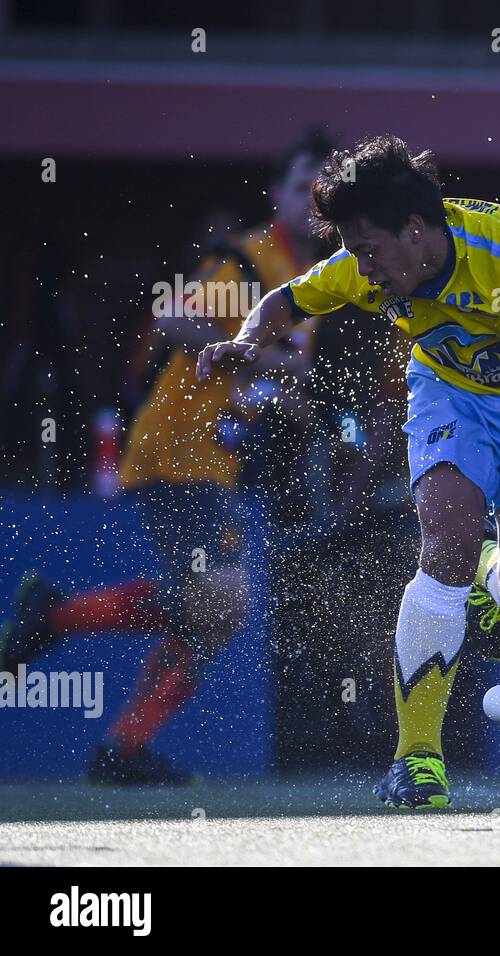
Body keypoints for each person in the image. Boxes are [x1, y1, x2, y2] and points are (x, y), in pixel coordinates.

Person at [196, 134, 500, 809]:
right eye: (354, 253)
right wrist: (248, 341)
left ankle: (493, 578)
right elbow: (285, 301)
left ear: (417, 230)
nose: (361, 271)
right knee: (445, 545)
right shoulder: (362, 265)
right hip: (450, 397)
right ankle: (417, 758)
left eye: (368, 251)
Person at [0, 131, 335, 785]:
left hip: (214, 458)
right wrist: (265, 360)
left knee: (216, 611)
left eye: (323, 191)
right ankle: (58, 619)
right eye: (301, 186)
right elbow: (175, 321)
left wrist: (283, 397)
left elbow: (257, 373)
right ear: (276, 195)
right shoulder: (248, 261)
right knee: (221, 599)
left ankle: (122, 743)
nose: (311, 201)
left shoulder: (309, 277)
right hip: (178, 450)